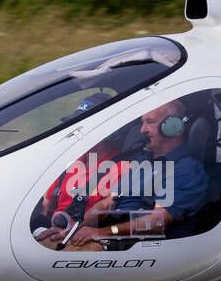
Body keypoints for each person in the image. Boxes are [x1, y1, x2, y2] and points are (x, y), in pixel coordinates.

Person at [58, 98, 209, 250]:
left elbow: (158, 221)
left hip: (140, 246)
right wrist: (72, 231)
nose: (142, 130)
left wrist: (102, 232)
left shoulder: (186, 169)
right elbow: (108, 203)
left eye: (150, 122)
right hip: (111, 237)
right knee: (48, 244)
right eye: (142, 122)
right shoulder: (143, 162)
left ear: (172, 126)